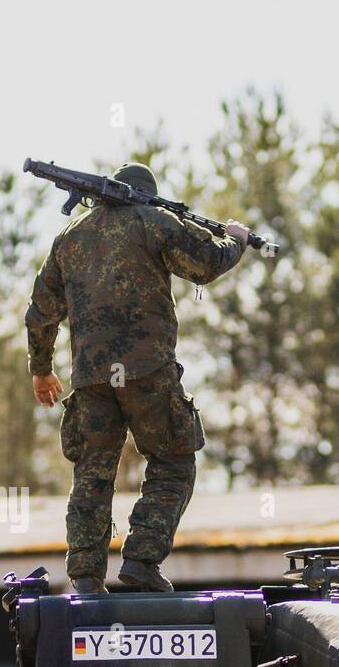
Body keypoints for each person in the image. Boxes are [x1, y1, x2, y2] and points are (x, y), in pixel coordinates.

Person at [25, 162, 248, 593]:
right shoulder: (154, 221)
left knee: (92, 472)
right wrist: (235, 238)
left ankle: (86, 576)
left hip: (90, 379)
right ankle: (142, 560)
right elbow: (206, 262)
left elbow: (40, 312)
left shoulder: (69, 237)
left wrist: (41, 370)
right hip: (147, 371)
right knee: (173, 460)